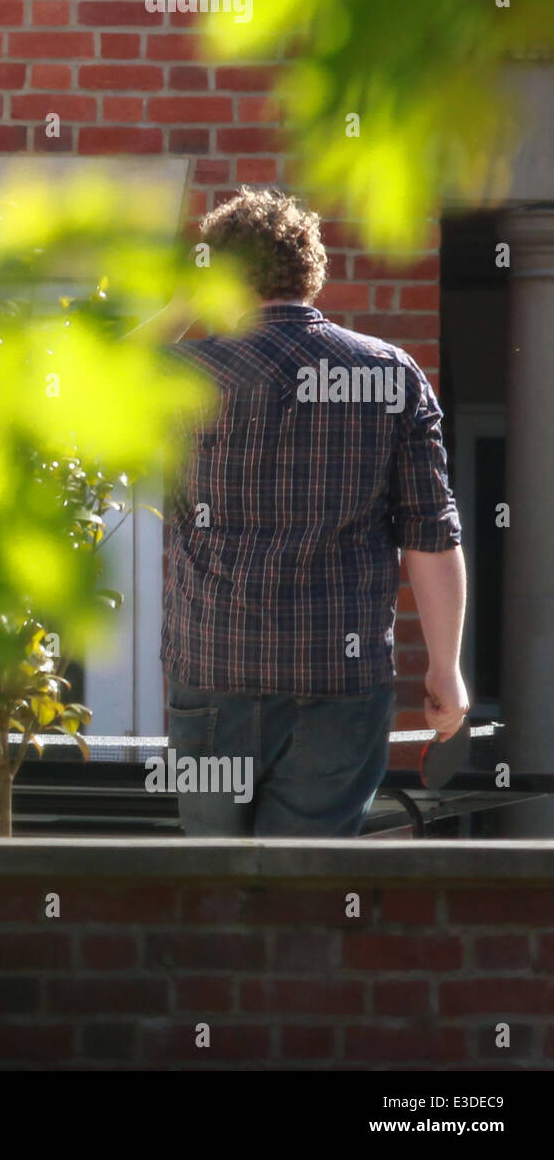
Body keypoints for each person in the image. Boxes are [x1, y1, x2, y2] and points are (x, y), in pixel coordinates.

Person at [148, 187, 467, 837]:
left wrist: (185, 299)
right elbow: (431, 535)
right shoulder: (390, 373)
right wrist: (446, 670)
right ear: (311, 269)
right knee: (310, 886)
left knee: (216, 880)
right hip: (339, 682)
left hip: (212, 677)